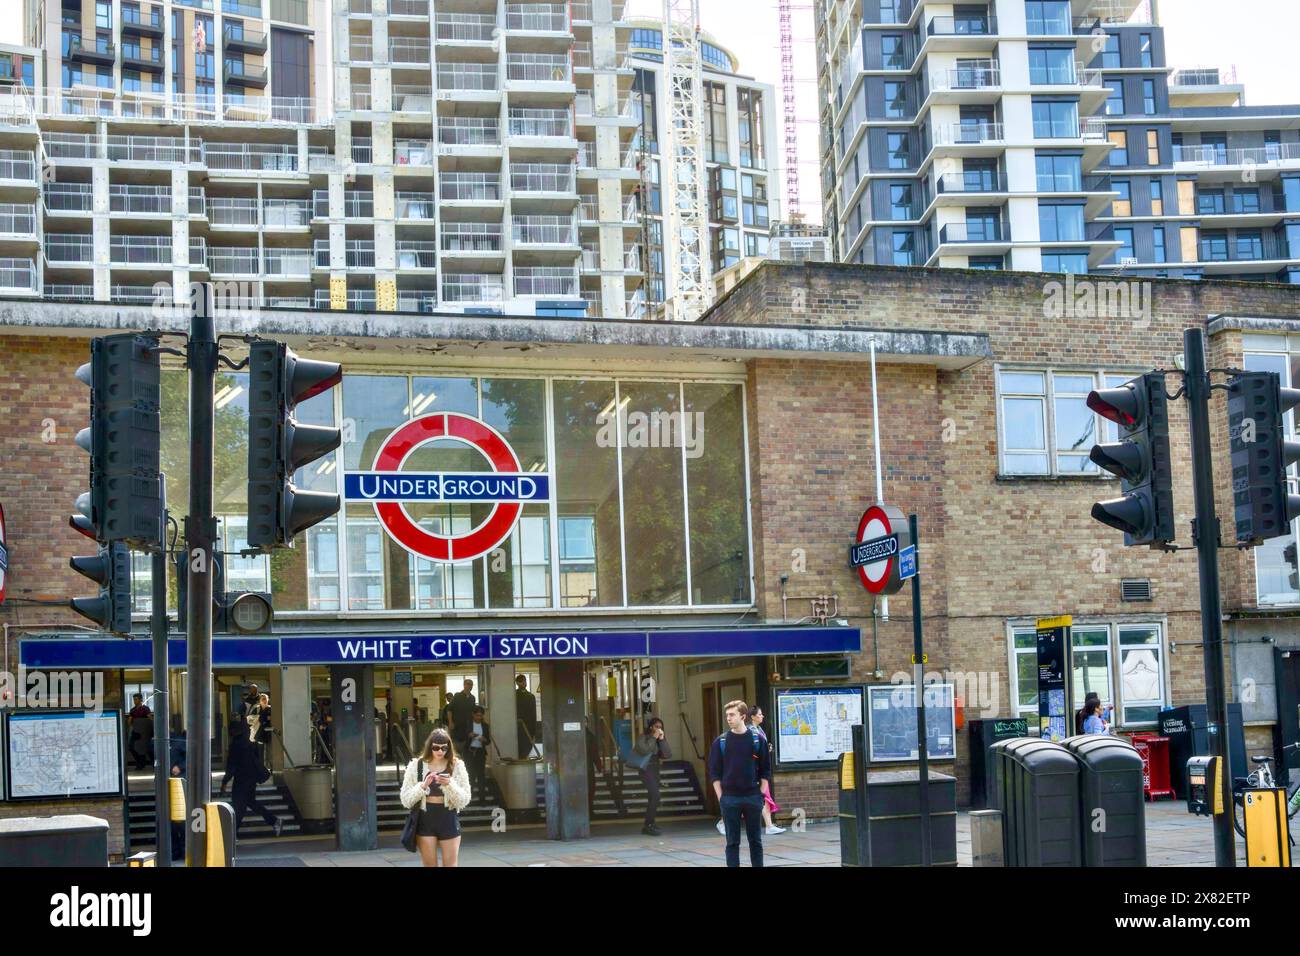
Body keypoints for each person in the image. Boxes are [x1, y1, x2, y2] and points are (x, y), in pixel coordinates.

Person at [707, 699, 771, 867]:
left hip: (752, 796)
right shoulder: (720, 742)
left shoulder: (758, 740)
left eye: (732, 715)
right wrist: (722, 797)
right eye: (727, 715)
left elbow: (766, 770)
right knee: (732, 843)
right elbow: (714, 773)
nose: (728, 718)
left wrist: (761, 795)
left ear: (743, 716)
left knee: (755, 841)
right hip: (730, 798)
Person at [400, 728, 471, 867]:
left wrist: (450, 784)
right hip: (425, 819)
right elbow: (406, 800)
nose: (440, 751)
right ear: (429, 747)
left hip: (448, 817)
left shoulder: (457, 765)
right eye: (436, 747)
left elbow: (464, 799)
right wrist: (423, 786)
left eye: (444, 748)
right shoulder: (417, 765)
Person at [220, 719, 284, 838]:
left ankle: (233, 834)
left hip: (241, 780)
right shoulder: (249, 743)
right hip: (251, 779)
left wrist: (224, 782)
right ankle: (274, 821)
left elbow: (231, 767)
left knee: (238, 806)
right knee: (250, 803)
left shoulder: (235, 746)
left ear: (232, 732)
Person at [747, 705, 785, 835]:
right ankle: (724, 821)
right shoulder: (751, 731)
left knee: (764, 796)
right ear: (753, 717)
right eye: (760, 714)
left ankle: (769, 825)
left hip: (760, 768)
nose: (762, 716)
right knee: (755, 797)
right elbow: (751, 751)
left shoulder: (759, 729)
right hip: (755, 770)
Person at [632, 716, 671, 836]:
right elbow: (645, 750)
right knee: (656, 795)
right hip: (645, 769)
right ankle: (648, 824)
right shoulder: (643, 738)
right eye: (656, 727)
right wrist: (654, 737)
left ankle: (649, 824)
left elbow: (668, 754)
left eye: (660, 727)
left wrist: (662, 740)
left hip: (655, 769)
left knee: (652, 797)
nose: (658, 729)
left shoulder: (659, 739)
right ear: (650, 727)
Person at [463, 705, 491, 801]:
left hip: (480, 752)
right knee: (470, 774)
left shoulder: (485, 726)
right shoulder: (468, 724)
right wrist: (469, 735)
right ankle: (470, 796)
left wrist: (484, 739)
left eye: (480, 715)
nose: (479, 717)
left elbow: (488, 741)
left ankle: (482, 797)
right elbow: (462, 738)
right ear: (473, 715)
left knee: (481, 774)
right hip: (470, 752)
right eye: (477, 715)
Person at [168, 723, 187, 862]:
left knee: (177, 823)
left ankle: (178, 851)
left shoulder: (178, 742)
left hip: (178, 786)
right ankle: (180, 850)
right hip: (175, 785)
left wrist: (179, 767)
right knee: (177, 823)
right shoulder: (177, 742)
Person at [515, 674, 539, 757]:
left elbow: (533, 714)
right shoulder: (514, 695)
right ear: (517, 683)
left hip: (529, 727)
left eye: (524, 681)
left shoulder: (531, 696)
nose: (523, 683)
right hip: (518, 727)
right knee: (519, 749)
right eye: (521, 682)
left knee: (528, 747)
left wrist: (534, 732)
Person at [127, 693, 153, 770]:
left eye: (136, 699)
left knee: (146, 748)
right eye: (133, 699)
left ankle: (143, 763)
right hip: (135, 732)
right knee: (131, 747)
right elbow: (129, 721)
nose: (134, 701)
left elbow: (150, 719)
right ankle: (140, 762)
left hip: (145, 733)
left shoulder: (145, 709)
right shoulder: (133, 710)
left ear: (140, 699)